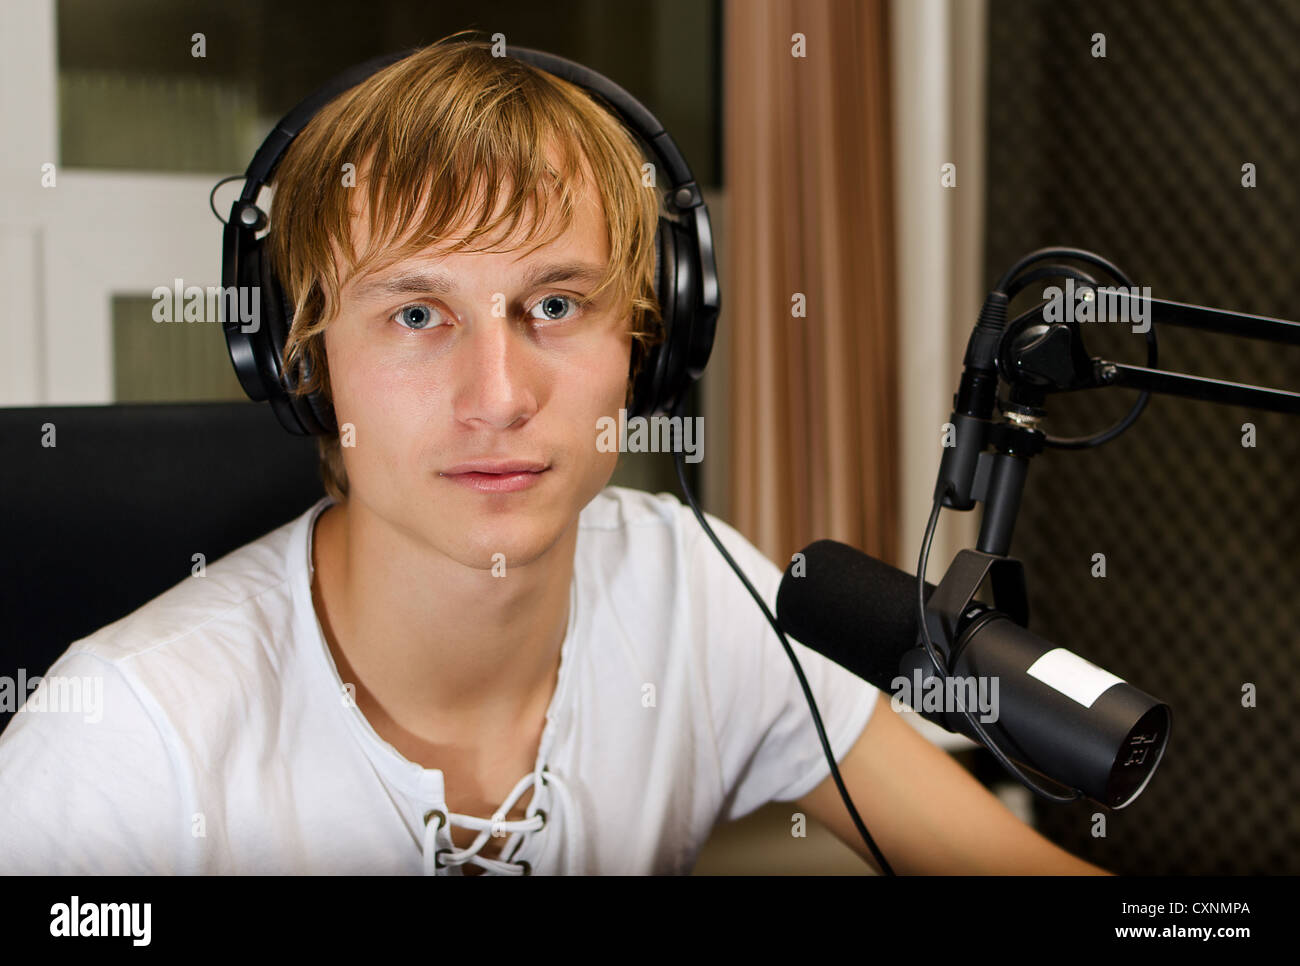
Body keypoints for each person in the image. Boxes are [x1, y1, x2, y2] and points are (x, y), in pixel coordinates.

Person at [0, 35, 1107, 876]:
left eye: (557, 301)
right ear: (300, 360)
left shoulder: (694, 592)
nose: (500, 396)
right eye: (417, 316)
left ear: (653, 337)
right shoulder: (123, 750)